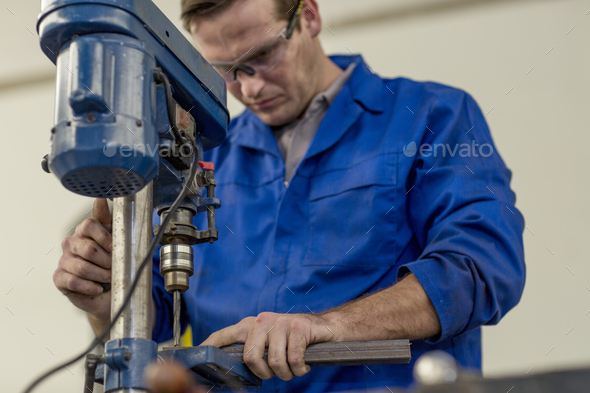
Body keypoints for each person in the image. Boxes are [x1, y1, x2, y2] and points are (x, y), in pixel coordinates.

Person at [54, 0, 526, 391]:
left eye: (263, 57)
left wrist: (328, 326)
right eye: (226, 71)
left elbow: (482, 268)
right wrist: (105, 302)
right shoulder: (202, 160)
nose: (250, 87)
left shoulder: (430, 116)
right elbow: (160, 329)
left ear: (310, 17)